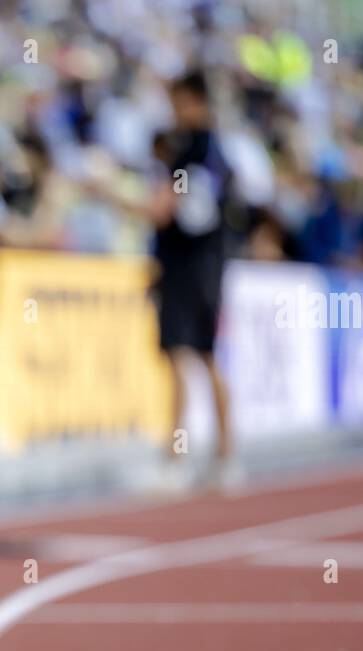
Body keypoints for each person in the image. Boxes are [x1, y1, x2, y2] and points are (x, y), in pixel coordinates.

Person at [148, 70, 238, 488]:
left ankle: (175, 459)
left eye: (178, 103)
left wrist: (108, 193)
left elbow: (165, 209)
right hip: (211, 263)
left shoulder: (189, 150)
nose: (174, 112)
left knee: (181, 357)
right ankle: (225, 457)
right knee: (205, 356)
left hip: (186, 265)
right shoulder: (219, 151)